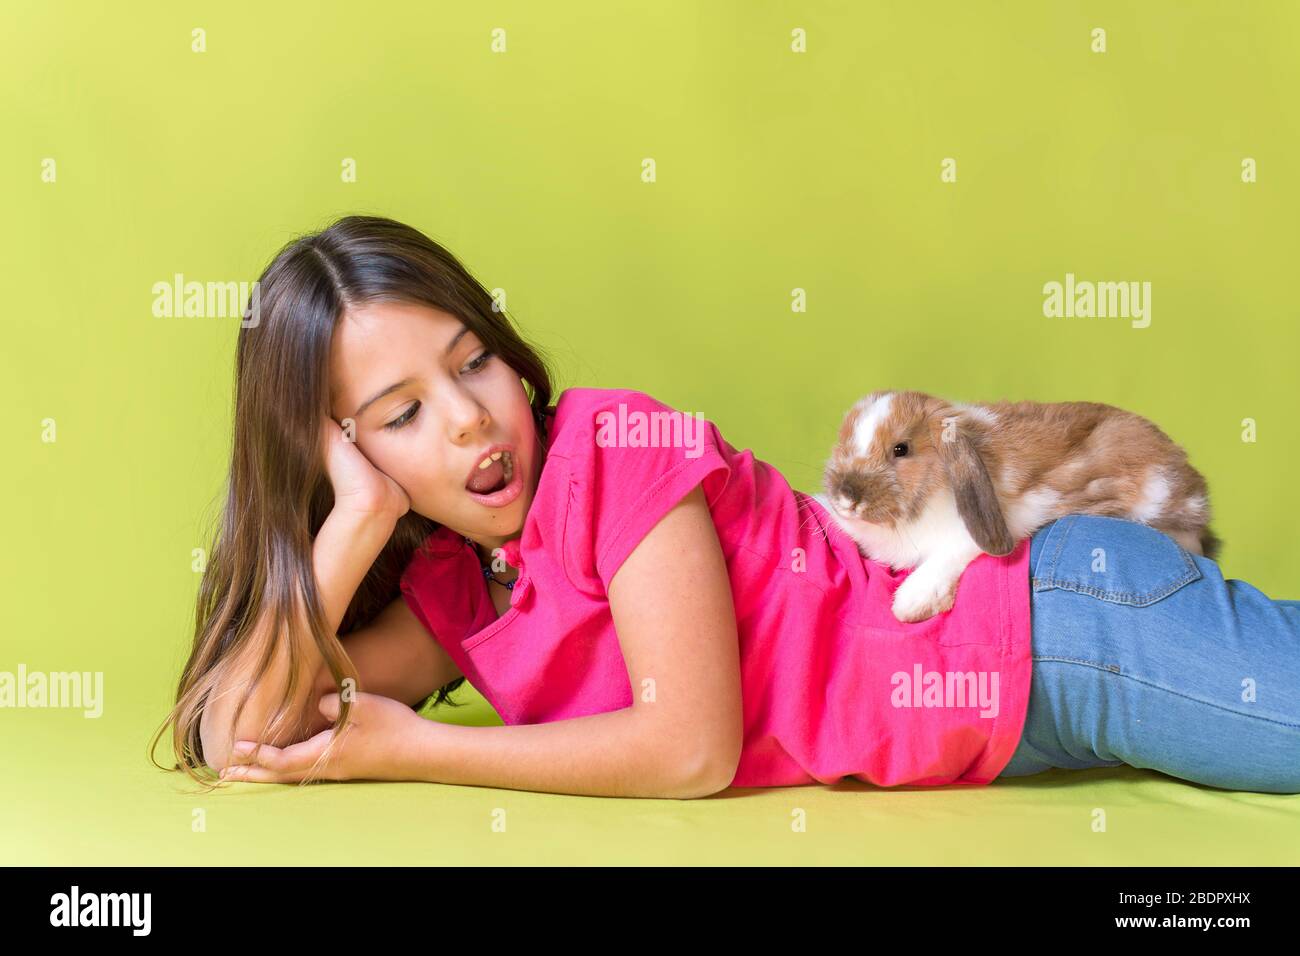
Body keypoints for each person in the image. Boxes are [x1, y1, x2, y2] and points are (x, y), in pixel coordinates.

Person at [152, 215, 1300, 797]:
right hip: (1010, 724)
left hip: (1063, 631)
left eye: (471, 362)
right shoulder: (464, 588)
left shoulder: (611, 448)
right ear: (340, 449)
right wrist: (351, 522)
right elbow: (238, 731)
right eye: (398, 415)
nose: (466, 417)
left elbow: (689, 743)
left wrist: (412, 751)